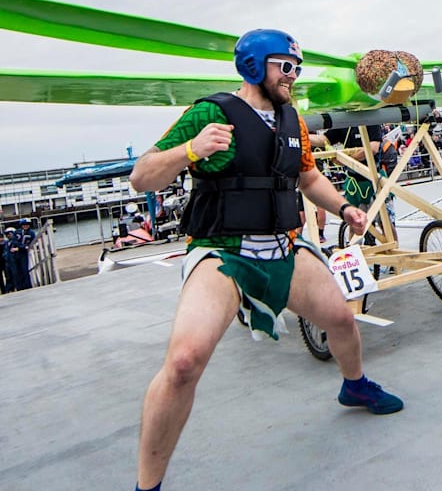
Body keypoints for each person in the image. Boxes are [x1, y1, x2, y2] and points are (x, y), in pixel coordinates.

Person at [128, 29, 403, 491]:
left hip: (283, 247)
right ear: (255, 66)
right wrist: (190, 150)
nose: (293, 77)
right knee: (183, 363)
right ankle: (147, 485)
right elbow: (142, 176)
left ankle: (354, 385)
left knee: (341, 318)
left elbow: (307, 177)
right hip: (224, 253)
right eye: (286, 66)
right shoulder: (210, 112)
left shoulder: (292, 120)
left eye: (296, 67)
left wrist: (344, 208)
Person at [7, 219, 35, 290]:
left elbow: (33, 242)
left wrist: (23, 248)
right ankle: (19, 287)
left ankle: (27, 286)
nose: (25, 226)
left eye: (27, 224)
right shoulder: (17, 232)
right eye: (24, 224)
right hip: (15, 254)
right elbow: (14, 241)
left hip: (23, 254)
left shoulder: (31, 233)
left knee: (25, 270)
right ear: (21, 225)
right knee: (15, 271)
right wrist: (22, 247)